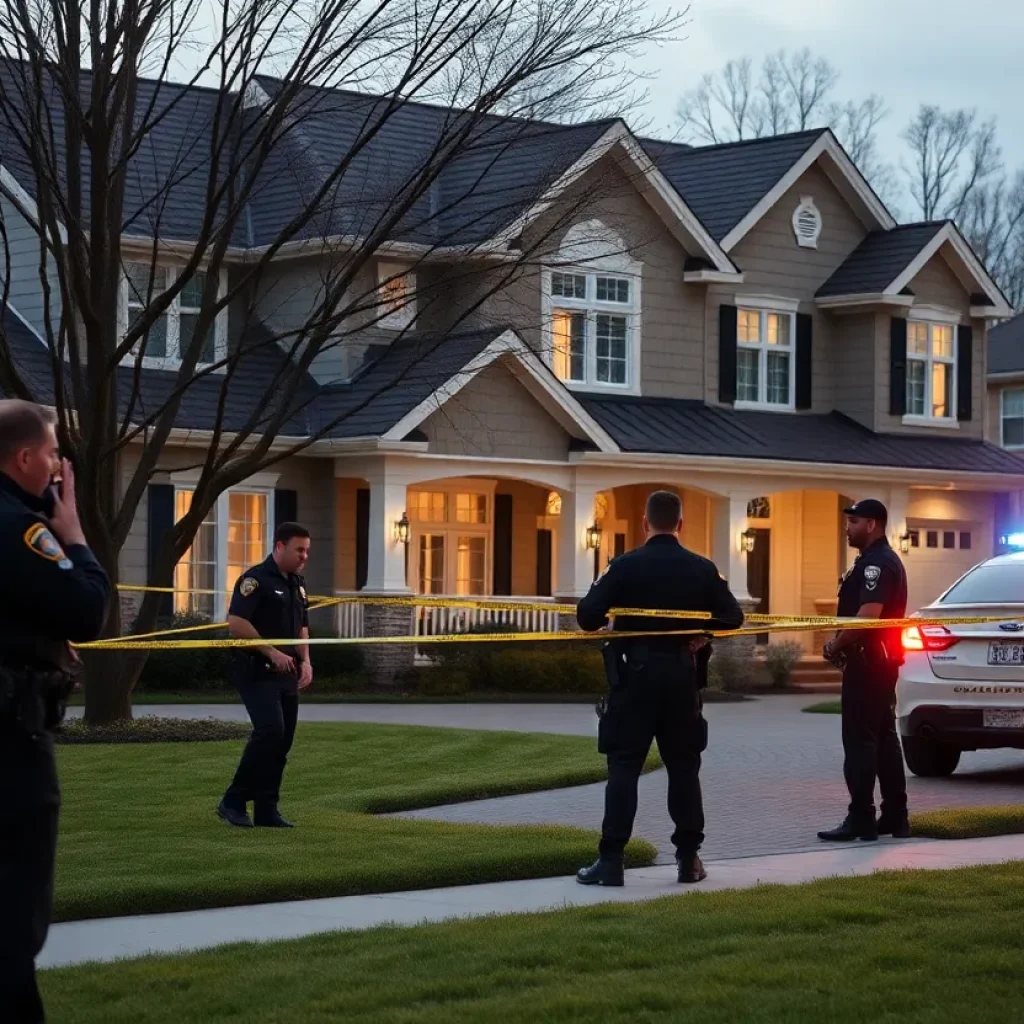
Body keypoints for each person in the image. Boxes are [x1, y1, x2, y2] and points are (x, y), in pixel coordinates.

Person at [0, 400, 111, 1023]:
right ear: (22, 458)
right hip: (13, 747)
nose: (55, 466)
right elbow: (84, 610)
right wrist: (72, 537)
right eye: (49, 454)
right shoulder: (20, 529)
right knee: (14, 921)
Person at [574, 490, 744, 887]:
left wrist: (616, 622)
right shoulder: (702, 568)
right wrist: (702, 632)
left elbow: (586, 615)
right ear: (680, 525)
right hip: (682, 679)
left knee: (624, 769)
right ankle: (689, 860)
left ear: (645, 523)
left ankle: (611, 861)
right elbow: (733, 617)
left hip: (633, 679)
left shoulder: (625, 566)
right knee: (684, 769)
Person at [819, 498, 910, 842]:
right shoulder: (874, 561)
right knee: (884, 740)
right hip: (879, 662)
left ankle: (861, 819)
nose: (848, 527)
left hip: (869, 662)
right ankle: (895, 817)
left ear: (872, 524)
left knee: (860, 741)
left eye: (854, 521)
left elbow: (868, 616)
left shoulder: (877, 564)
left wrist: (836, 644)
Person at [217, 522, 313, 829]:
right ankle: (233, 801)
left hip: (288, 672)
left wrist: (306, 661)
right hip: (256, 670)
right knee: (269, 732)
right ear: (280, 547)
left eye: (307, 550)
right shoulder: (254, 580)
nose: (304, 556)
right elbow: (236, 624)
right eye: (299, 549)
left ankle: (266, 809)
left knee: (282, 741)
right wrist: (271, 652)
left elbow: (301, 626)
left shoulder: (297, 583)